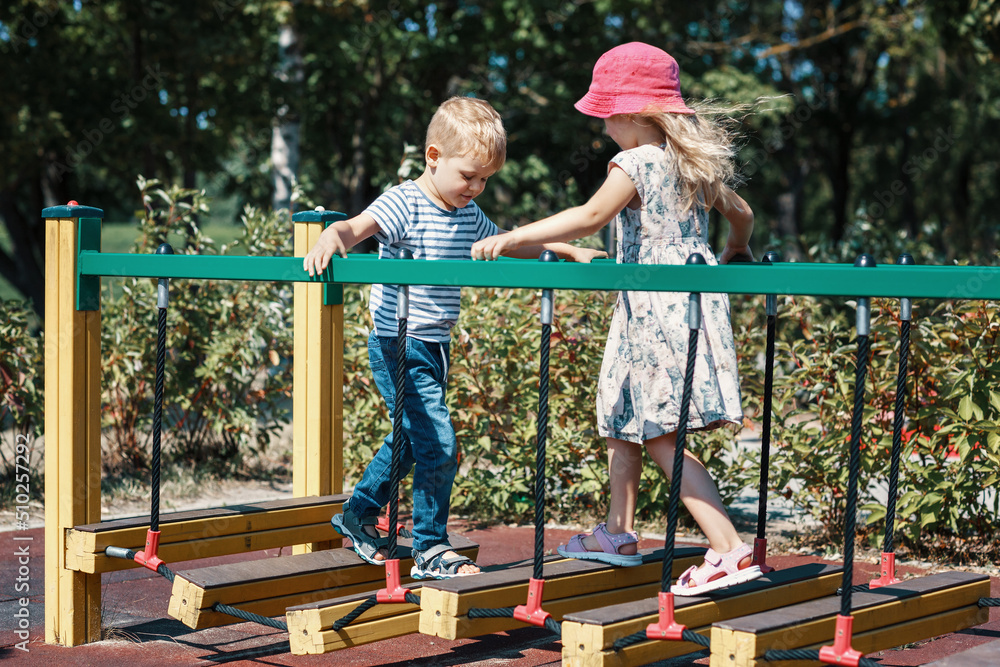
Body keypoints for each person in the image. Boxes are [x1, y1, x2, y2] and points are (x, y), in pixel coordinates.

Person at [470, 43, 759, 595]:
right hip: (681, 304)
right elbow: (741, 214)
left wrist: (513, 235)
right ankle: (618, 533)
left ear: (631, 113)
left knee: (660, 435)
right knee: (624, 414)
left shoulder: (639, 160)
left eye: (607, 112)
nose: (603, 124)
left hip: (655, 309)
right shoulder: (690, 162)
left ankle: (728, 549)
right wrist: (735, 253)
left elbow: (590, 216)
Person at [303, 96, 606, 580]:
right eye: (469, 175)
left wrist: (568, 250)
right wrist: (329, 238)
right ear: (433, 156)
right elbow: (354, 227)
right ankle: (431, 547)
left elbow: (510, 243)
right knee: (439, 444)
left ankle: (358, 513)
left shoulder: (468, 214)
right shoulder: (404, 202)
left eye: (486, 178)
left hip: (434, 344)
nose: (477, 187)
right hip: (396, 341)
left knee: (413, 435)